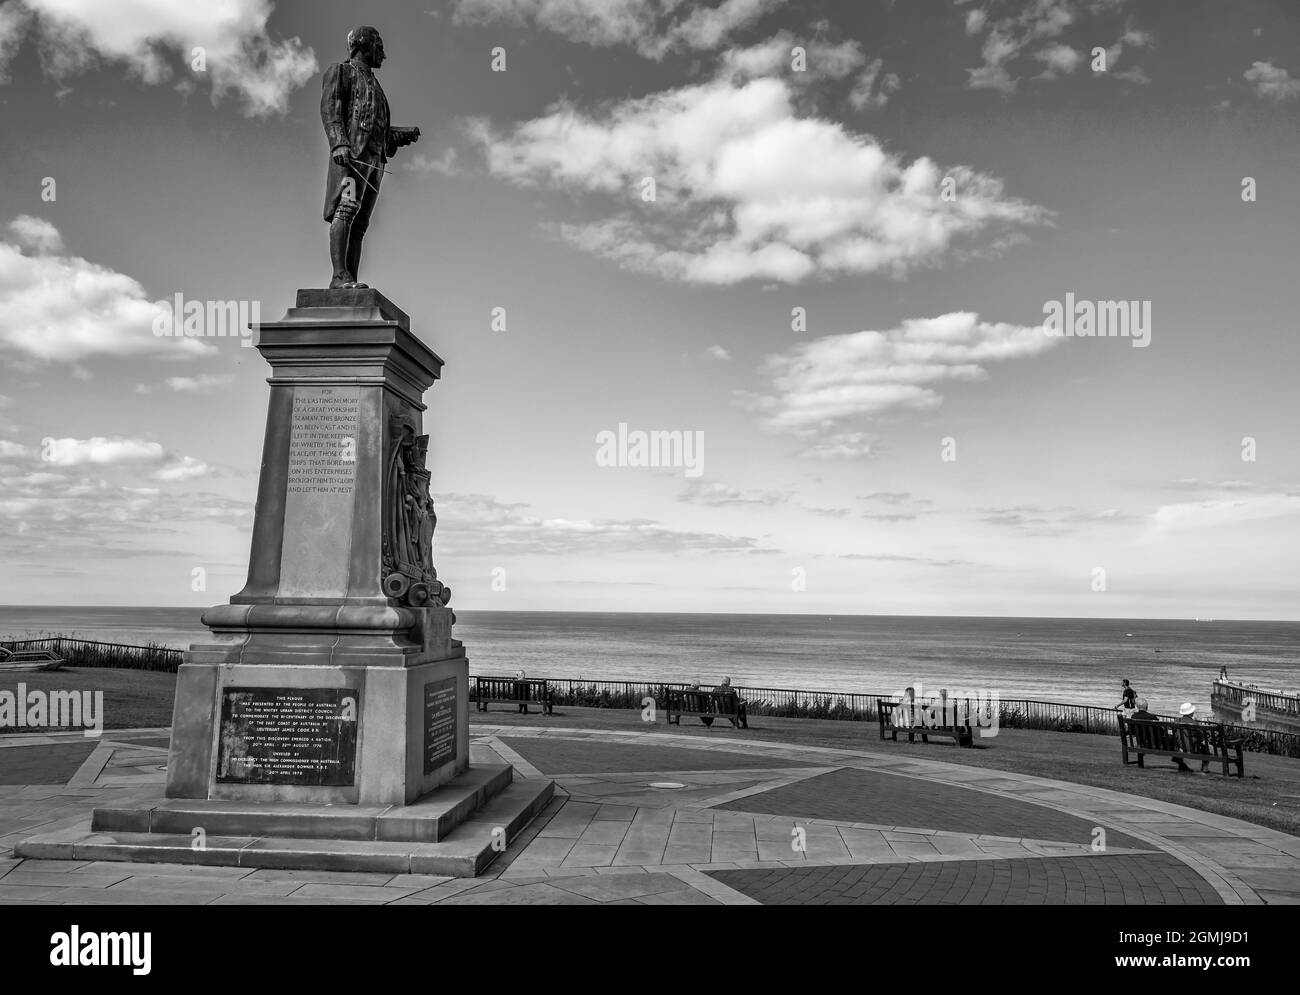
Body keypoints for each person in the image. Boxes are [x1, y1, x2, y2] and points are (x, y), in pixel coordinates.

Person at [320, 26, 421, 288]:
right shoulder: (341, 72)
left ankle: (351, 279)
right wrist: (339, 144)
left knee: (361, 223)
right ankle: (339, 276)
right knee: (346, 210)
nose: (383, 54)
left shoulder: (376, 86)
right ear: (362, 44)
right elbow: (331, 109)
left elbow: (376, 126)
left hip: (375, 160)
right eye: (379, 46)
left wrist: (399, 134)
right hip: (353, 156)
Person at [1174, 702, 1210, 773]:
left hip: (1180, 747)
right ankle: (1205, 768)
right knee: (1205, 749)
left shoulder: (1177, 721)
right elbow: (1201, 738)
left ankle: (1181, 764)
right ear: (1190, 712)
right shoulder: (1194, 723)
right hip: (1192, 748)